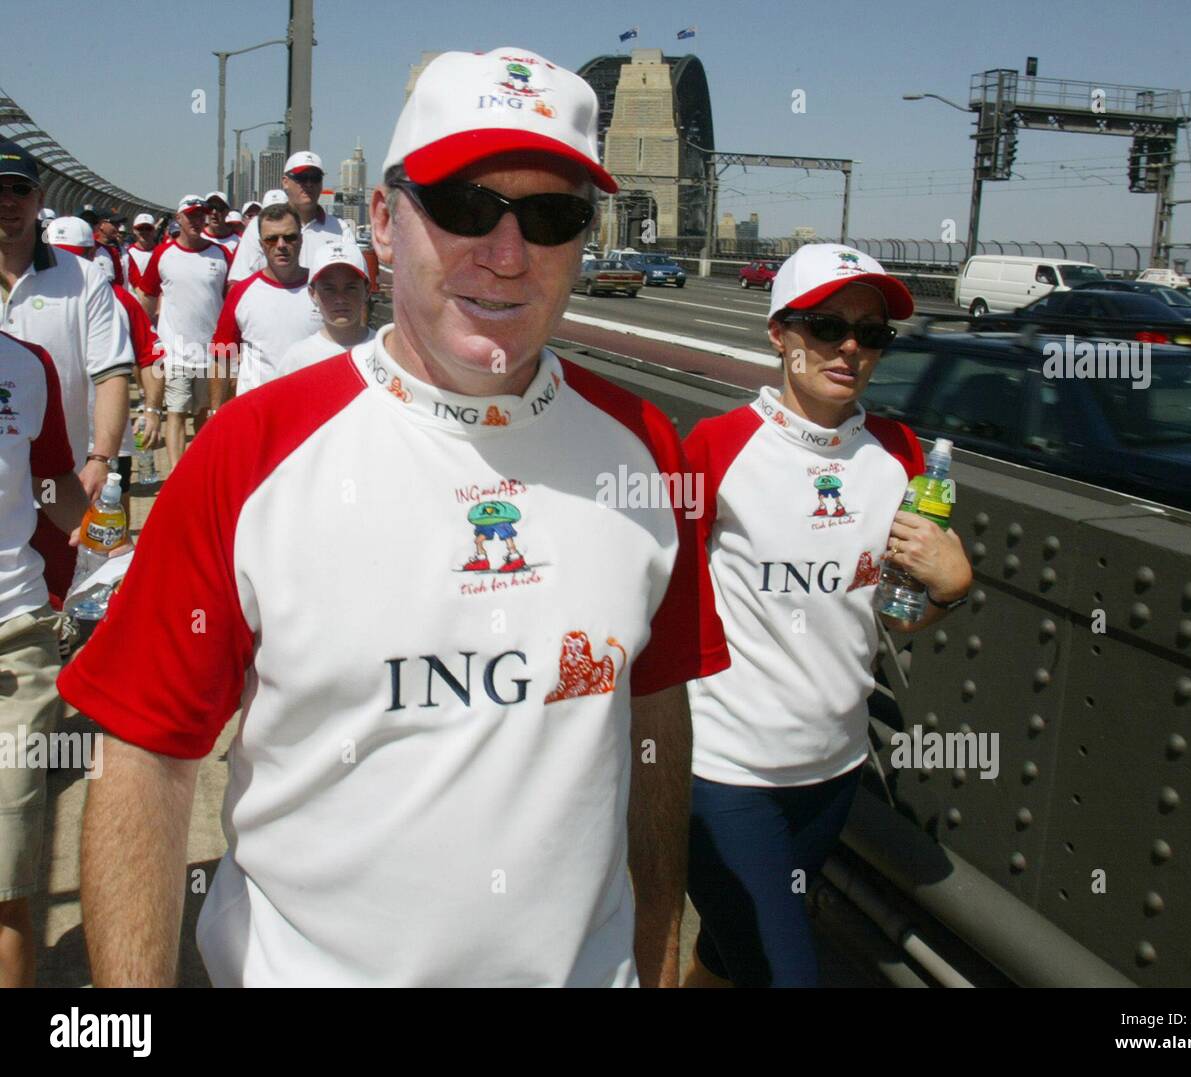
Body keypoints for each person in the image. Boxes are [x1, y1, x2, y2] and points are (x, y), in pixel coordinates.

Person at [62, 45, 729, 989]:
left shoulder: (647, 452)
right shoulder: (253, 452)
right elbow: (146, 762)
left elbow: (657, 725)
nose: (506, 254)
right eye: (463, 205)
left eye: (550, 216)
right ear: (382, 219)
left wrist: (657, 960)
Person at [681, 243, 973, 988]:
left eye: (871, 333)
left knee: (726, 951)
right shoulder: (716, 448)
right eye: (826, 324)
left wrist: (949, 589)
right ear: (781, 332)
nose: (850, 346)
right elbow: (659, 600)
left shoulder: (900, 456)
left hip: (833, 771)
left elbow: (898, 617)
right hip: (724, 771)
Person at [0, 140, 133, 608]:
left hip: (61, 492)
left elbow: (112, 372)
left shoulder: (84, 278)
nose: (7, 201)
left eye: (20, 189)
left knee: (64, 625)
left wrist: (101, 458)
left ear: (40, 201)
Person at [0, 330, 89, 987]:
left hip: (15, 638)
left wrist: (105, 543)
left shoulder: (26, 367)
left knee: (3, 885)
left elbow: (53, 484)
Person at [47, 216, 166, 523]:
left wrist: (152, 409)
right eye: (57, 252)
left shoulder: (119, 300)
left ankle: (113, 569)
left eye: (74, 254)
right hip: (50, 439)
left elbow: (149, 357)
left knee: (112, 519)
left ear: (92, 254)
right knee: (50, 515)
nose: (65, 261)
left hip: (108, 439)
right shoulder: (32, 294)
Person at [137, 195, 231, 470]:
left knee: (204, 416)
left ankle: (198, 468)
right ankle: (178, 471)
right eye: (190, 215)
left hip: (211, 354)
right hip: (175, 350)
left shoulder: (221, 254)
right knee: (176, 413)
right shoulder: (163, 254)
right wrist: (148, 334)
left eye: (200, 214)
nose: (196, 220)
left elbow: (230, 298)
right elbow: (148, 295)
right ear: (179, 218)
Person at [208, 202, 322, 404]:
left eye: (289, 237)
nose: (281, 245)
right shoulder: (241, 292)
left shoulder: (323, 290)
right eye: (271, 239)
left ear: (301, 240)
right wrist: (216, 411)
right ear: (261, 245)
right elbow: (222, 355)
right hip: (256, 410)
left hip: (310, 408)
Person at [226, 152, 347, 284]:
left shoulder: (340, 228)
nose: (309, 184)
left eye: (315, 178)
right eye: (302, 178)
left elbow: (356, 284)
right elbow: (238, 281)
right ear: (285, 182)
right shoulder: (259, 225)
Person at [279, 241, 375, 376]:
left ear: (367, 290)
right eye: (329, 289)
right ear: (312, 294)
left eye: (350, 288)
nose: (340, 299)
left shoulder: (385, 351)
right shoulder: (297, 359)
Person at [124, 212, 158, 293]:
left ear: (154, 231)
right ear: (134, 230)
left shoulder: (161, 253)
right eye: (140, 228)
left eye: (148, 228)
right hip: (133, 301)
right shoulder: (127, 253)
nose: (144, 232)